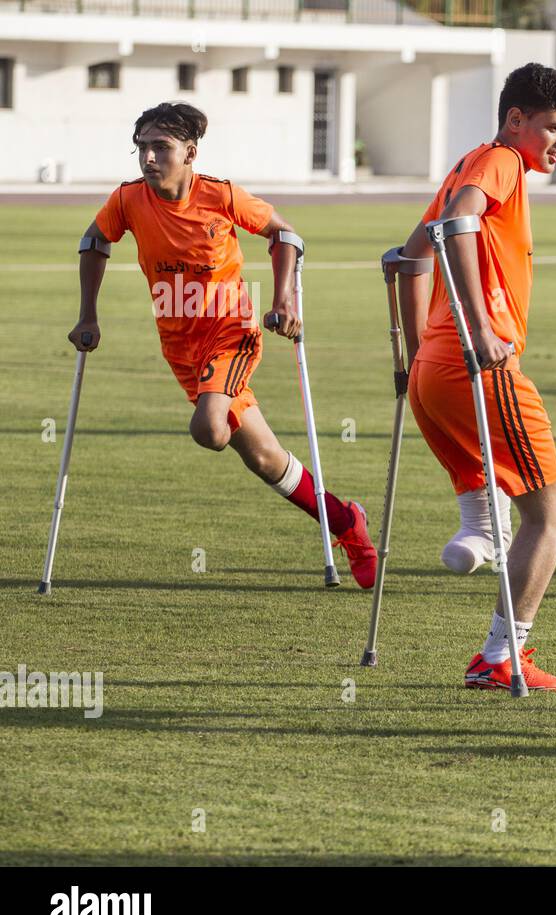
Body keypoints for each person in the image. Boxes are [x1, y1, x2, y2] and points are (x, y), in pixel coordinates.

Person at [67, 102, 376, 588]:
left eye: (160, 148)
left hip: (230, 334)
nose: (148, 158)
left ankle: (344, 523)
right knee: (265, 459)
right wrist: (88, 315)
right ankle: (346, 522)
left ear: (189, 153)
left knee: (210, 429)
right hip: (180, 344)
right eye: (142, 148)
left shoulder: (220, 194)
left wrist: (283, 300)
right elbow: (94, 241)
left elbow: (286, 234)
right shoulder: (127, 200)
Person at [395, 63, 556, 692]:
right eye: (554, 128)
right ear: (515, 119)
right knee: (552, 514)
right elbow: (457, 226)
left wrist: (416, 349)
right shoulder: (499, 160)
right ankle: (502, 656)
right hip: (481, 363)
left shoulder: (468, 164)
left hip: (434, 371)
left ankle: (478, 539)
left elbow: (407, 257)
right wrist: (477, 329)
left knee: (511, 511)